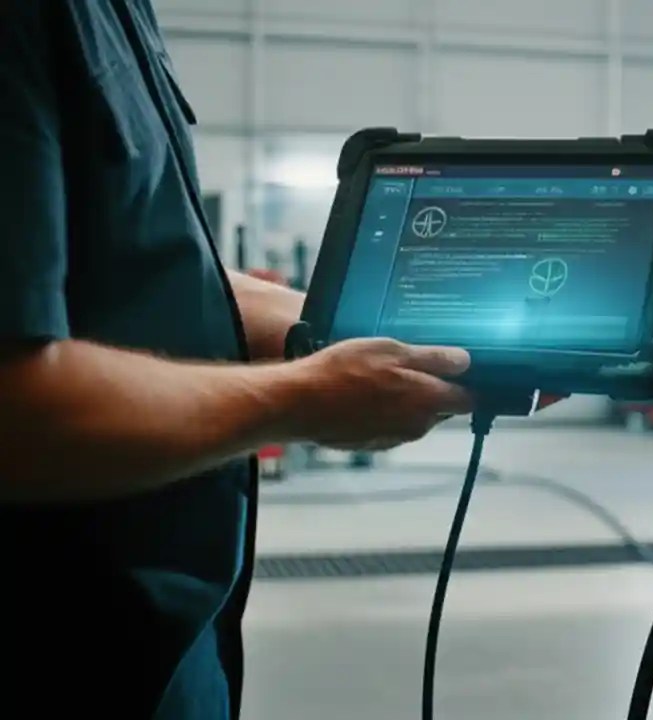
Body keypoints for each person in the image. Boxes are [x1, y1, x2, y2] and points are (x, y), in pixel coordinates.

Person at [0, 2, 472, 717]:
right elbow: (14, 412)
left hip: (167, 662)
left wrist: (347, 327)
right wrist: (302, 397)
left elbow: (156, 277)